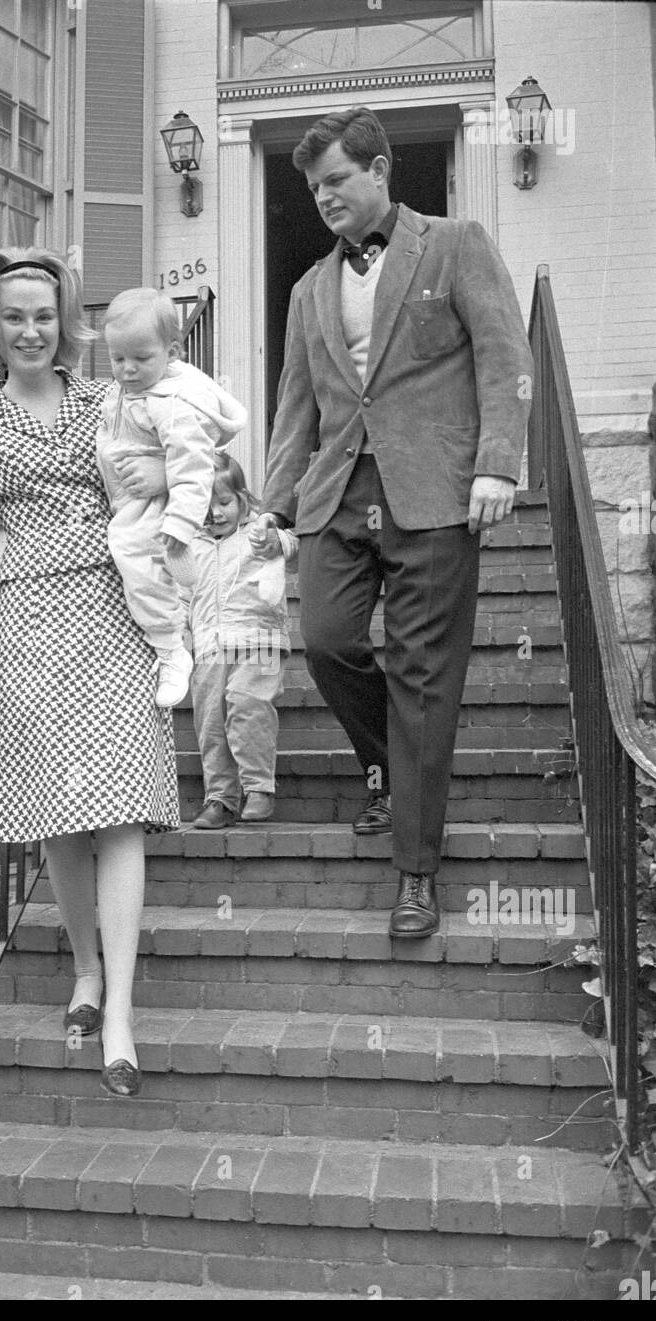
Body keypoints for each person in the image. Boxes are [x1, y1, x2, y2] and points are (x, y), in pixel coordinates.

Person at [253, 107, 533, 939]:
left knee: (422, 678)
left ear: (379, 172)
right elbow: (295, 406)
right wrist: (275, 504)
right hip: (338, 493)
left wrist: (498, 461)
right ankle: (388, 764)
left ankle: (415, 871)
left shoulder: (456, 243)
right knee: (328, 640)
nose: (322, 198)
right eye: (312, 188)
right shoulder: (309, 287)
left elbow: (505, 353)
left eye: (336, 180)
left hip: (437, 492)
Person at [0, 248, 181, 1098]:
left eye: (44, 313)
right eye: (15, 315)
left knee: (124, 814)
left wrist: (167, 479)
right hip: (32, 623)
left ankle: (121, 1015)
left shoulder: (111, 400)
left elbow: (187, 464)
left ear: (63, 318)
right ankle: (84, 970)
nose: (31, 329)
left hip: (114, 614)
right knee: (62, 820)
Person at [97, 287, 247, 707]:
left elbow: (193, 466)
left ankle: (170, 650)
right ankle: (180, 615)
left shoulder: (173, 403)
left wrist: (180, 525)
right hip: (130, 498)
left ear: (173, 350)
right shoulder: (136, 388)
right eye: (117, 359)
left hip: (156, 508)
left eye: (141, 358)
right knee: (145, 571)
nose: (127, 369)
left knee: (137, 564)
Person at [185, 455, 298, 828]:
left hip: (261, 639)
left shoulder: (257, 533)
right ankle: (220, 798)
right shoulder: (188, 547)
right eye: (205, 504)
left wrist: (277, 540)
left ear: (242, 499)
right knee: (211, 721)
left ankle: (258, 788)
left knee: (248, 703)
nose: (214, 513)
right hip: (209, 646)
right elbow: (180, 595)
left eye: (223, 502)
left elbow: (294, 548)